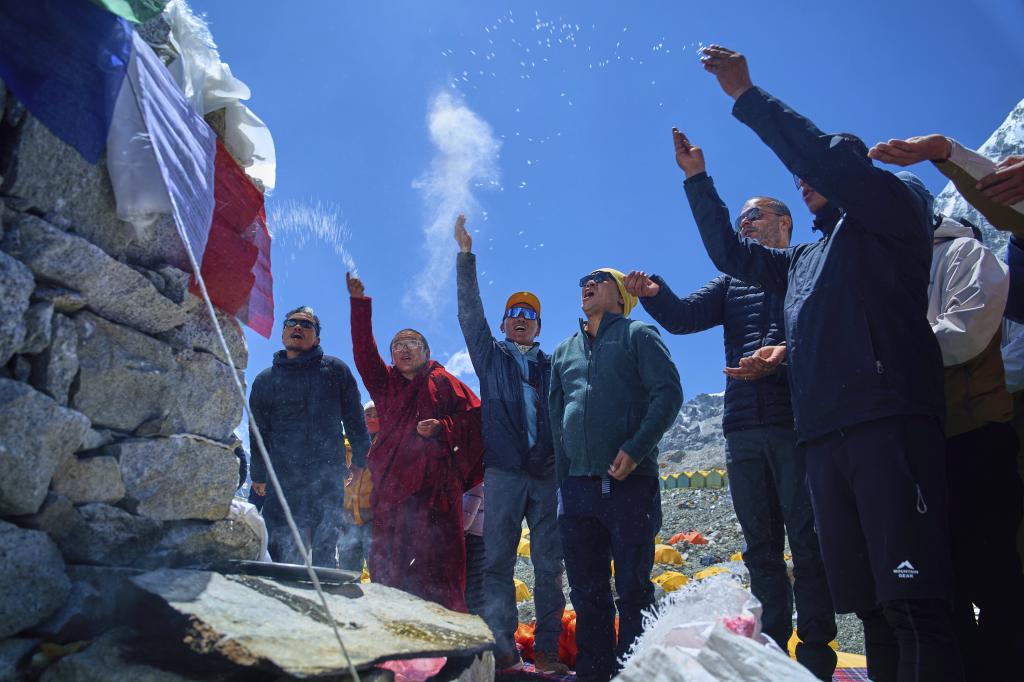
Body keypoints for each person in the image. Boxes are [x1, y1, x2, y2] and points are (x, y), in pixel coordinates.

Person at [686, 44, 960, 681]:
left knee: (917, 606)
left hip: (886, 424)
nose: (802, 179)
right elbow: (732, 254)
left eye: (814, 171)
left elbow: (829, 161)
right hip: (822, 438)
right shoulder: (805, 259)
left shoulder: (892, 214)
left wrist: (747, 98)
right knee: (869, 610)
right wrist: (698, 182)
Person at [624, 196, 837, 680]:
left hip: (797, 426)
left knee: (807, 547)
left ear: (785, 222)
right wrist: (655, 291)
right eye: (741, 219)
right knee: (761, 550)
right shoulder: (731, 283)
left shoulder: (806, 267)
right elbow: (682, 318)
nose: (745, 224)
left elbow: (829, 333)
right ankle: (771, 658)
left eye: (754, 216)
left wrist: (784, 355)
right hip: (741, 432)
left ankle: (818, 659)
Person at [549, 267, 683, 682]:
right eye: (583, 280)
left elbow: (669, 393)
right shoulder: (563, 351)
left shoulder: (637, 334)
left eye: (599, 279)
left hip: (630, 486)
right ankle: (594, 675)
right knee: (587, 596)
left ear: (622, 294)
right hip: (578, 491)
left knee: (633, 591)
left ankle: (635, 674)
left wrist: (635, 449)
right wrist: (564, 484)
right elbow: (557, 421)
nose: (587, 284)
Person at [453, 214, 567, 673]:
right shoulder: (489, 356)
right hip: (501, 472)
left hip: (546, 475)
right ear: (503, 323)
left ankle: (548, 650)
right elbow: (468, 314)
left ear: (538, 326)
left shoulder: (552, 365)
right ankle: (504, 651)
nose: (521, 319)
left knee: (548, 567)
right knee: (497, 564)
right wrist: (465, 257)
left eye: (530, 315)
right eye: (514, 313)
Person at [921, 204, 1024, 681]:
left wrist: (887, 345)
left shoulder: (964, 252)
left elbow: (964, 335)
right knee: (945, 579)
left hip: (974, 434)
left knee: (992, 570)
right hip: (924, 443)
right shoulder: (901, 264)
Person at [347, 272, 484, 612]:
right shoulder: (384, 383)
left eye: (412, 344)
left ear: (426, 351)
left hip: (437, 493)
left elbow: (477, 421)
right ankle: (391, 630)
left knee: (440, 567)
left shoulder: (443, 381)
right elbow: (364, 352)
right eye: (398, 345)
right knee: (390, 566)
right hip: (392, 492)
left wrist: (442, 426)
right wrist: (359, 305)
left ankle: (442, 640)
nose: (404, 349)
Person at [248, 306, 371, 567]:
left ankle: (324, 602)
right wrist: (259, 474)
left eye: (306, 325)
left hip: (326, 477)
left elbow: (354, 418)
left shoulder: (335, 370)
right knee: (281, 551)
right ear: (282, 334)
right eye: (291, 323)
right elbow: (258, 431)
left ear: (316, 338)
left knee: (325, 552)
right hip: (282, 478)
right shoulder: (265, 380)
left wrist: (360, 460)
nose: (298, 327)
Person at [338, 402, 378, 572]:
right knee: (348, 574)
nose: (372, 418)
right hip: (347, 521)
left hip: (375, 521)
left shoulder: (388, 446)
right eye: (368, 415)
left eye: (377, 415)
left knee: (378, 572)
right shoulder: (346, 446)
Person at [462, 481, 486, 617]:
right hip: (480, 533)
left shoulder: (475, 474)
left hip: (473, 535)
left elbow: (474, 495)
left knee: (473, 593)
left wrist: (459, 526)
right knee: (478, 590)